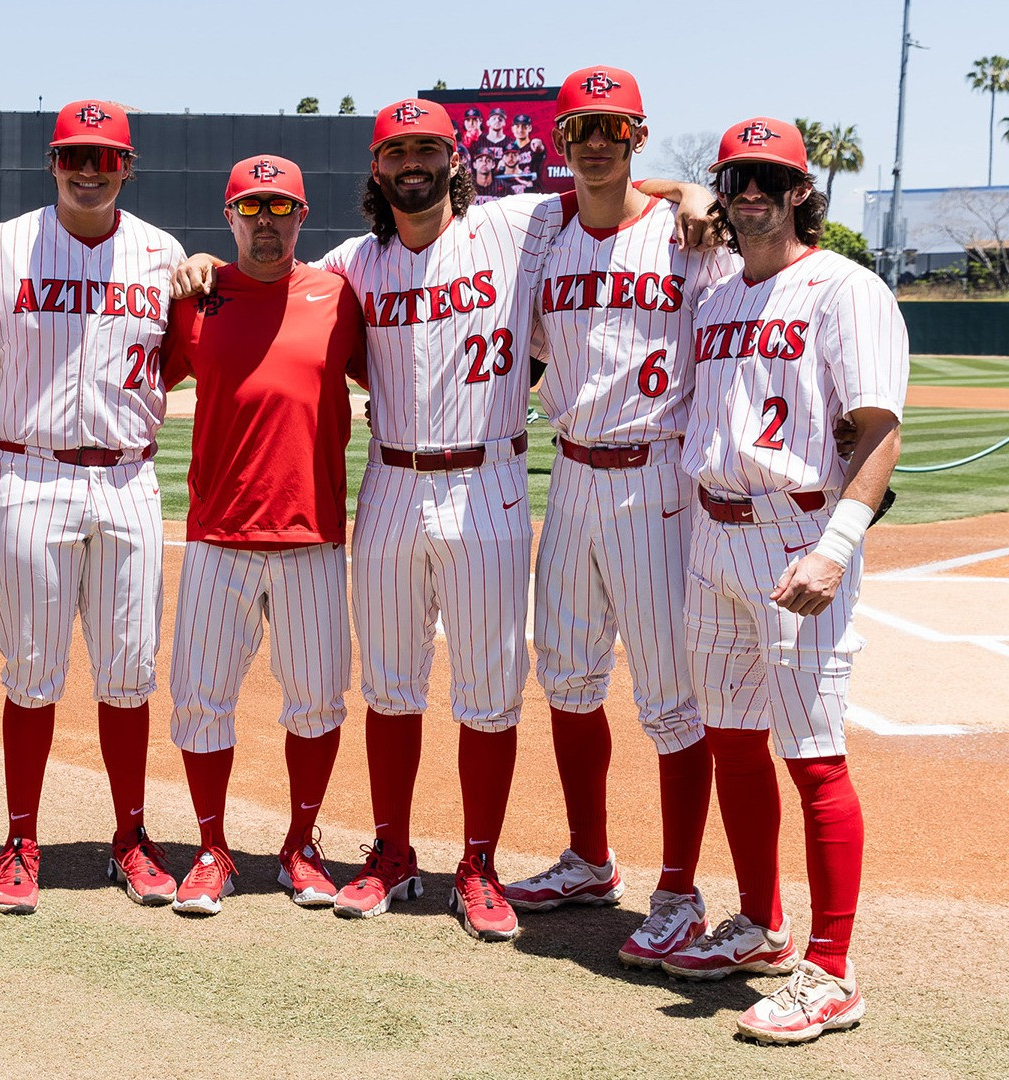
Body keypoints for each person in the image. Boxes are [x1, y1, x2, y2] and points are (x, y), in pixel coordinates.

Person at [172, 97, 712, 944]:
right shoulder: (351, 263)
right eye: (396, 152)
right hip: (389, 482)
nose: (412, 163)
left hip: (488, 476)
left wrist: (687, 191)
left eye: (427, 148)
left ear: (453, 158)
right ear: (377, 169)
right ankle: (391, 851)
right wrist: (203, 262)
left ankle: (479, 862)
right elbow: (269, 282)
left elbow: (610, 189)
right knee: (390, 684)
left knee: (490, 693)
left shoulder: (518, 227)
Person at [661, 116, 904, 1047]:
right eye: (734, 177)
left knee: (812, 755)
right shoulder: (719, 286)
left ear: (802, 189)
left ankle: (832, 970)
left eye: (769, 176)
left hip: (798, 533)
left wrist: (836, 546)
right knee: (729, 741)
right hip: (713, 533)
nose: (750, 190)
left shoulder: (847, 288)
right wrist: (680, 192)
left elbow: (878, 431)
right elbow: (644, 195)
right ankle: (760, 925)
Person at [500, 65, 738, 972]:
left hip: (657, 482)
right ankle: (590, 860)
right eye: (580, 129)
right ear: (559, 142)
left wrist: (693, 190)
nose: (596, 140)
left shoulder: (691, 237)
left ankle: (678, 889)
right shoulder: (540, 230)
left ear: (638, 135)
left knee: (673, 702)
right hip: (573, 479)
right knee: (567, 680)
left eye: (614, 126)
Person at [0, 99, 187, 916]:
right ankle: (21, 839)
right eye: (74, 155)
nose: (89, 170)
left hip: (128, 478)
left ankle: (130, 836)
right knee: (32, 669)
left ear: (128, 166)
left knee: (128, 671)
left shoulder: (162, 254)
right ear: (52, 161)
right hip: (34, 474)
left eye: (106, 157)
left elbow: (178, 361)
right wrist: (39, 409)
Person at [160, 156, 366, 917]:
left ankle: (300, 846)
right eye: (252, 209)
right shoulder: (196, 298)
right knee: (200, 701)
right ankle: (212, 849)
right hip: (218, 534)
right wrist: (188, 268)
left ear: (302, 218)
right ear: (230, 216)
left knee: (316, 702)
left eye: (281, 209)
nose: (267, 222)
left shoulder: (340, 298)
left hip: (311, 533)